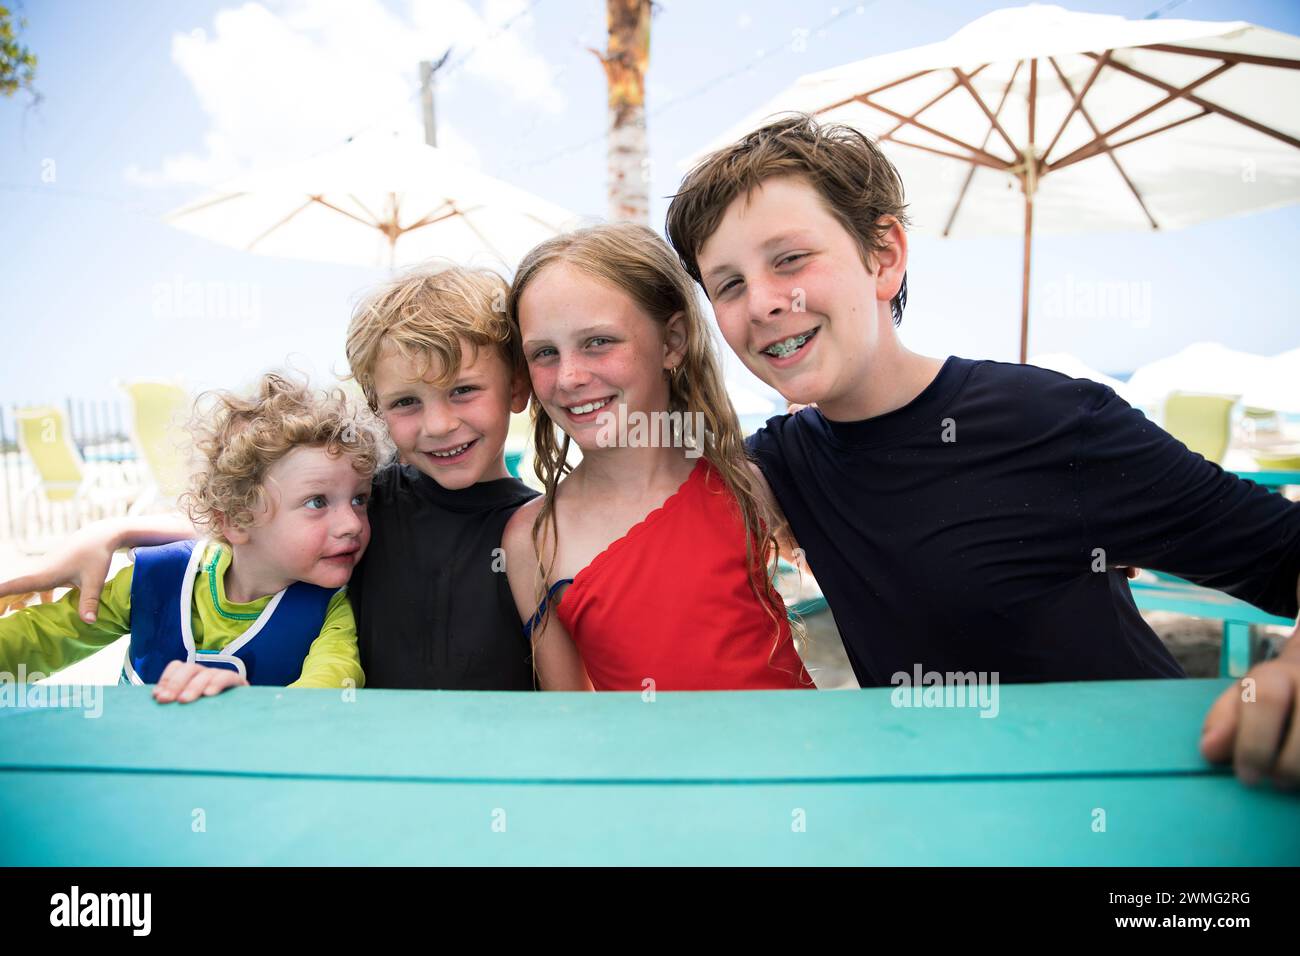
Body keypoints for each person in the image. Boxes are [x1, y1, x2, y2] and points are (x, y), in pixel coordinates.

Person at [665, 113, 1300, 787]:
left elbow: (1285, 552)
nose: (761, 301)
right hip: (954, 815)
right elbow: (654, 500)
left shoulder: (1052, 419)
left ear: (883, 256)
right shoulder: (784, 463)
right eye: (728, 284)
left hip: (1146, 793)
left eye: (790, 259)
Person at [1, 266, 539, 690]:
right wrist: (114, 533)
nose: (440, 424)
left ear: (516, 386)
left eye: (464, 389)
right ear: (377, 410)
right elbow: (258, 524)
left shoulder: (541, 530)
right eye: (405, 402)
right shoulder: (374, 499)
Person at [501, 222, 810, 691]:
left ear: (671, 343)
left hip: (799, 760)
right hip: (640, 766)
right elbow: (573, 718)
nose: (568, 377)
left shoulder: (750, 483)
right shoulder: (533, 540)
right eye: (544, 352)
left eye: (598, 342)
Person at [0, 372, 384, 702]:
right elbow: (41, 638)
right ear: (236, 520)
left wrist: (254, 706)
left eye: (359, 499)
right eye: (318, 501)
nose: (351, 523)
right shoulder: (156, 579)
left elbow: (329, 689)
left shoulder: (331, 611)